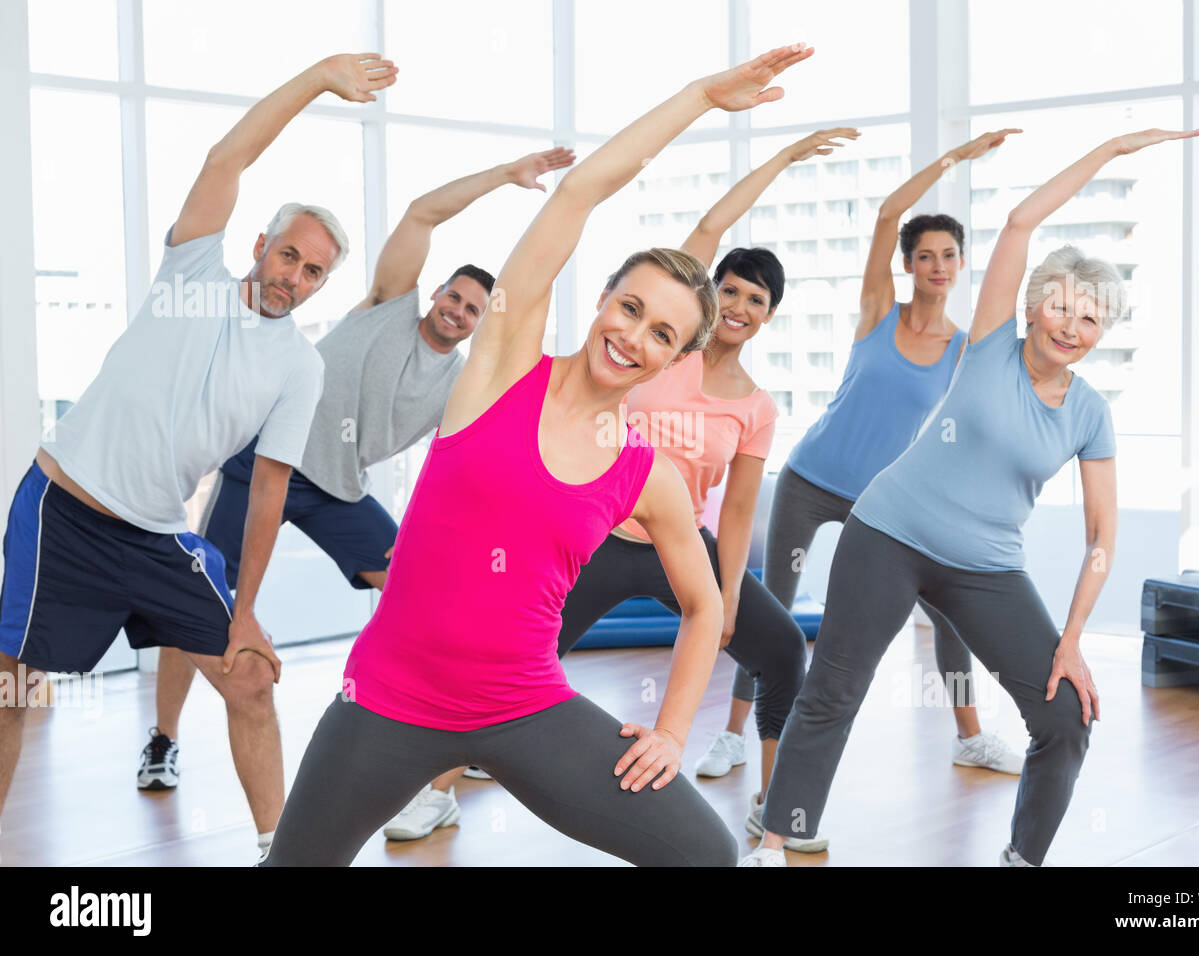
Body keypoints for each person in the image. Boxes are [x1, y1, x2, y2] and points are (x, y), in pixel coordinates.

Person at [262, 45, 814, 868]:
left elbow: (706, 609)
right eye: (629, 308)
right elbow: (582, 190)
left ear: (676, 360)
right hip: (387, 700)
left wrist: (670, 731)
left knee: (705, 853)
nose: (633, 336)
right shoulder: (501, 368)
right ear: (600, 301)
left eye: (662, 333)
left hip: (524, 708)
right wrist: (699, 96)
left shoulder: (644, 474)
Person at [740, 126, 1199, 867]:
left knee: (1064, 715)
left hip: (986, 565)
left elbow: (1102, 533)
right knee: (834, 691)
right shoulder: (988, 342)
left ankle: (1022, 858)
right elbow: (1022, 220)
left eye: (1091, 319)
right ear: (1033, 306)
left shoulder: (1090, 413)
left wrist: (1074, 637)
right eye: (1063, 308)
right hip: (887, 532)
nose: (1072, 328)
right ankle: (773, 841)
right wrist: (1107, 152)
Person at [0, 53, 398, 862]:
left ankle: (278, 851)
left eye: (314, 270)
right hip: (65, 513)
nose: (296, 276)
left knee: (250, 675)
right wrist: (319, 78)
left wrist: (245, 608)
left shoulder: (301, 366)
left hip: (154, 538)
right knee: (13, 690)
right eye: (289, 255)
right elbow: (228, 158)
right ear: (260, 244)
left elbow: (269, 492)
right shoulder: (190, 272)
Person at [135, 148, 576, 820]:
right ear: (434, 293)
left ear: (481, 325)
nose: (457, 311)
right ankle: (163, 738)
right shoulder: (387, 306)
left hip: (338, 486)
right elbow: (422, 213)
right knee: (196, 600)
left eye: (472, 310)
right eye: (453, 296)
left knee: (420, 588)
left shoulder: (462, 385)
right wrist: (502, 176)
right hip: (262, 461)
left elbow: (496, 454)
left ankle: (450, 733)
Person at [553, 129, 856, 854]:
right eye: (730, 291)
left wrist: (722, 601)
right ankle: (444, 777)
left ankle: (777, 810)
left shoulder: (757, 406)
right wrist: (783, 159)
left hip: (678, 543)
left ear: (769, 315)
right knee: (518, 642)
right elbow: (711, 228)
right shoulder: (665, 348)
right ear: (709, 295)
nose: (740, 307)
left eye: (756, 300)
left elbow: (743, 506)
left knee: (782, 648)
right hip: (600, 533)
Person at [702, 131, 1027, 800]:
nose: (938, 265)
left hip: (884, 502)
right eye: (925, 255)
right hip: (811, 480)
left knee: (948, 613)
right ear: (907, 264)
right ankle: (734, 733)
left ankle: (970, 735)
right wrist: (951, 160)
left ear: (961, 265)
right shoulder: (878, 312)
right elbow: (884, 215)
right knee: (774, 604)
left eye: (949, 256)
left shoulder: (963, 350)